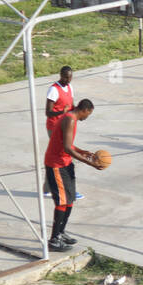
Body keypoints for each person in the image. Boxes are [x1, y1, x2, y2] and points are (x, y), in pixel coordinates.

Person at [44, 99, 101, 251]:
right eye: (88, 114)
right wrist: (90, 163)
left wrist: (82, 151)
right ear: (84, 110)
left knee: (69, 200)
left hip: (66, 163)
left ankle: (61, 233)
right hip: (56, 164)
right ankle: (54, 240)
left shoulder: (71, 117)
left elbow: (67, 143)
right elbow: (68, 148)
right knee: (62, 201)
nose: (87, 117)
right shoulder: (69, 120)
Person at [42, 66, 82, 200]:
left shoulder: (70, 87)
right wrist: (62, 112)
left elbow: (71, 106)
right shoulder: (54, 89)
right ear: (61, 75)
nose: (68, 80)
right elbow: (48, 112)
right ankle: (68, 189)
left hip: (65, 126)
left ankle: (47, 188)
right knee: (64, 156)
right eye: (66, 77)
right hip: (54, 127)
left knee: (57, 157)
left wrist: (79, 112)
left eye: (70, 77)